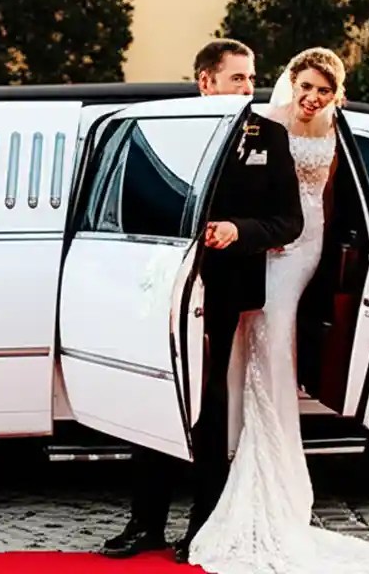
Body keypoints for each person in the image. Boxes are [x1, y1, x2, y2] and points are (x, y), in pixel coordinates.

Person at [187, 47, 369, 574]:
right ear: (291, 83)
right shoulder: (263, 123)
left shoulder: (339, 131)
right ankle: (227, 442)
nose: (313, 98)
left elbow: (333, 197)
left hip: (302, 244)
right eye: (307, 87)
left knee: (272, 338)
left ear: (335, 94)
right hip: (262, 240)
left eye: (324, 90)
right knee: (238, 341)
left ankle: (267, 453)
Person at [99, 38, 304, 563]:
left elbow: (290, 221)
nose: (247, 87)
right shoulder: (164, 131)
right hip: (161, 290)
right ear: (205, 81)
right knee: (152, 404)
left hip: (224, 291)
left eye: (251, 77)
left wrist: (240, 230)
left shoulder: (268, 136)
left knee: (208, 409)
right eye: (237, 78)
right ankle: (145, 524)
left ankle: (202, 530)